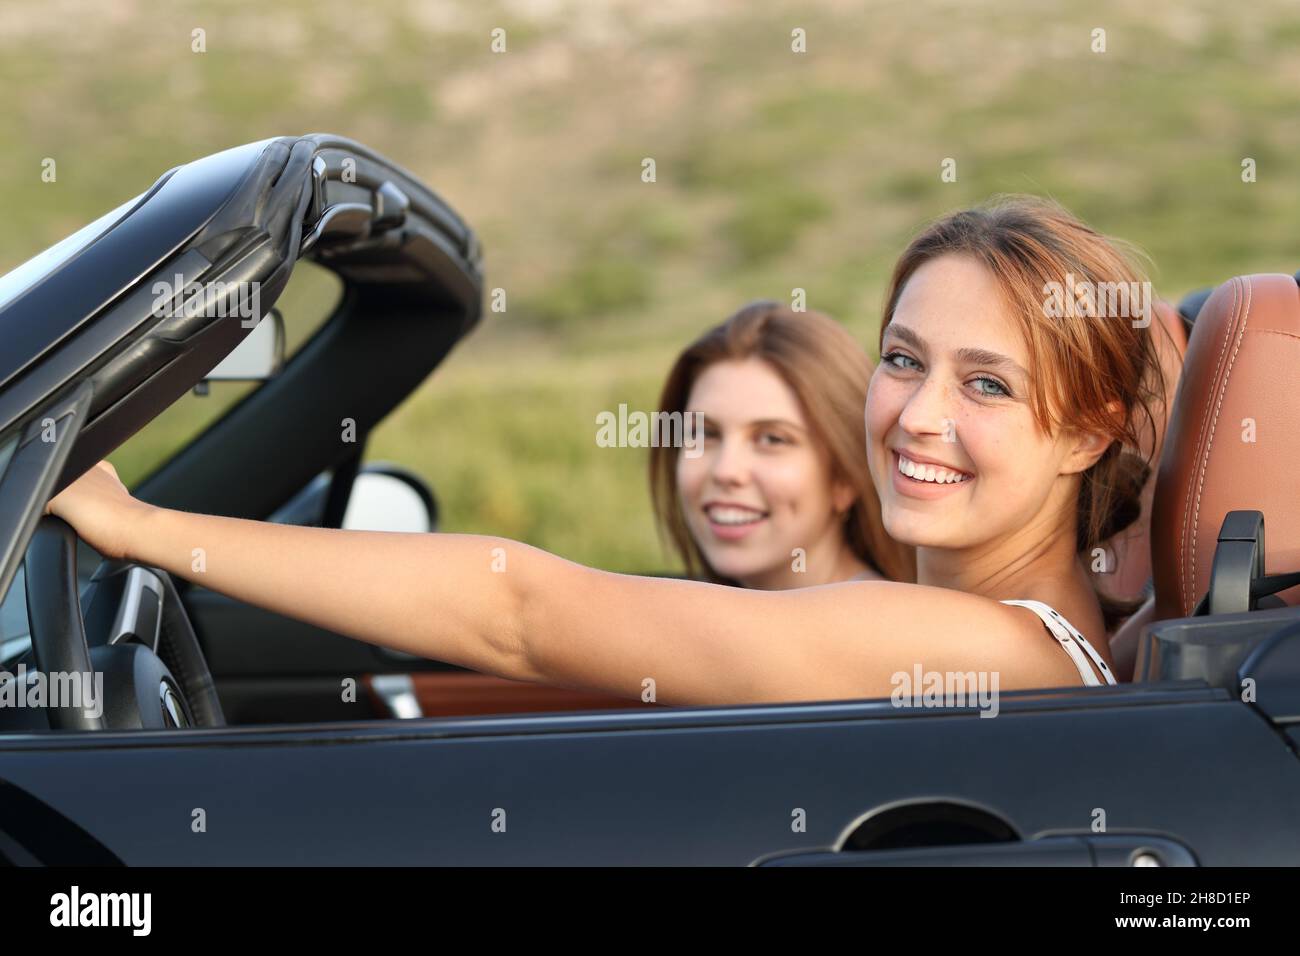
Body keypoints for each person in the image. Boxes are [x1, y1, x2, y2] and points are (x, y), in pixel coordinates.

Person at [47, 196, 1165, 705]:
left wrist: (142, 526)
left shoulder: (994, 647)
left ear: (1085, 427)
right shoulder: (1012, 635)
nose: (917, 415)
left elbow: (523, 613)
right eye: (902, 358)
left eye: (985, 385)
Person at [649, 301, 914, 590]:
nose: (725, 471)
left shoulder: (884, 628)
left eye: (772, 439)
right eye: (704, 434)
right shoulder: (686, 615)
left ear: (845, 477)